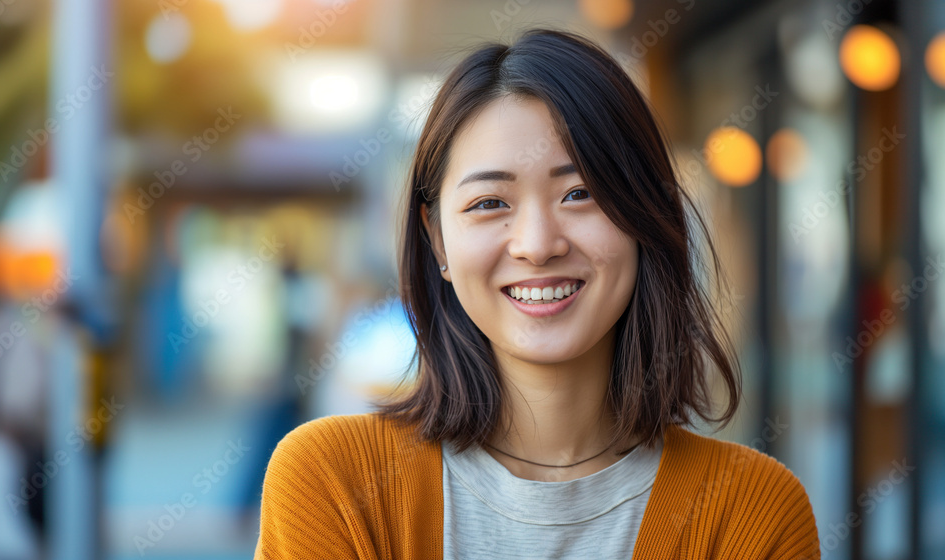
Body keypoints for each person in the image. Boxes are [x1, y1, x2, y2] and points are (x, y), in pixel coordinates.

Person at [254, 27, 821, 559]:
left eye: (580, 193)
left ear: (645, 215)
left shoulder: (753, 513)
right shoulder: (332, 482)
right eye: (489, 203)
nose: (536, 244)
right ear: (437, 240)